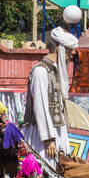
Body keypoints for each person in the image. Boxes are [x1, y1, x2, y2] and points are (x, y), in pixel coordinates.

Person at [24, 26, 79, 158]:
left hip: (56, 133)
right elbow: (40, 107)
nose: (71, 56)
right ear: (59, 49)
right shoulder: (40, 71)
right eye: (69, 51)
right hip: (40, 136)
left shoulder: (54, 71)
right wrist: (48, 139)